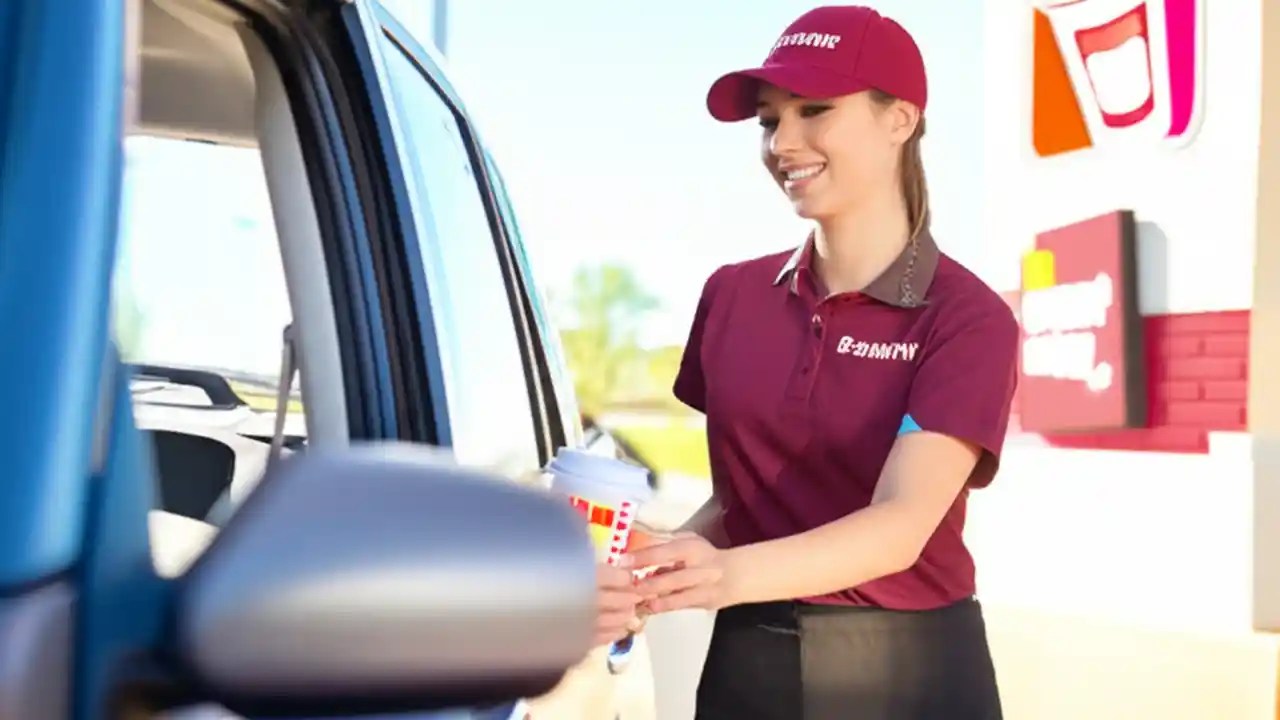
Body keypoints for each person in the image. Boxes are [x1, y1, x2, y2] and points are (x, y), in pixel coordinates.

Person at [625, 6, 1018, 719]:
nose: (785, 142)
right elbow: (739, 503)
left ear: (899, 119)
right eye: (770, 121)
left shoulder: (965, 317)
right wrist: (658, 565)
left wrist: (721, 575)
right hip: (749, 657)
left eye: (815, 111)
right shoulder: (731, 295)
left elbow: (901, 525)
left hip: (912, 671)